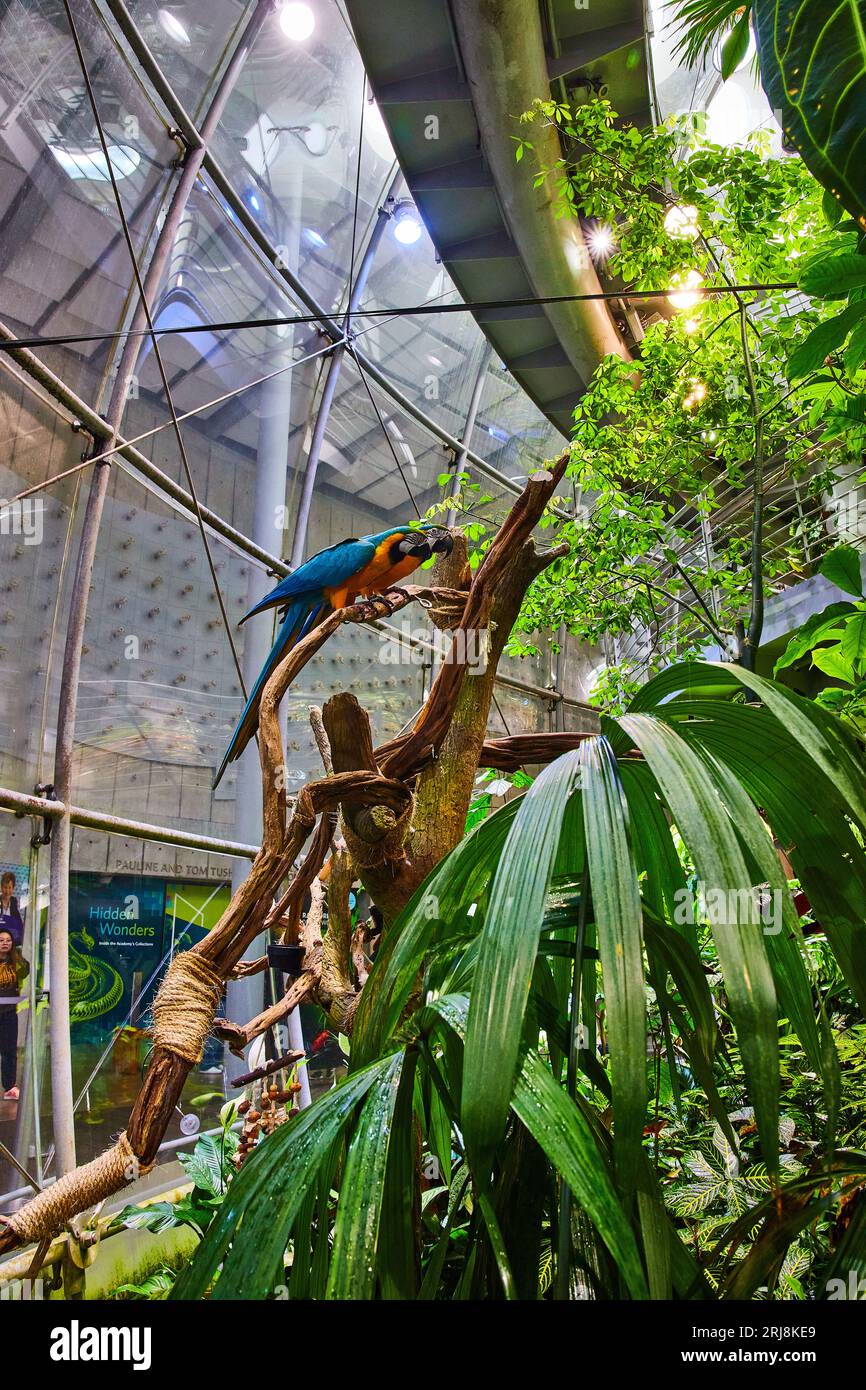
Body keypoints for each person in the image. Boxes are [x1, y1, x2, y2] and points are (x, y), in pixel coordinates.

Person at [0, 928, 28, 1100]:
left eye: (8, 940)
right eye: (1, 940)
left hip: (9, 1013)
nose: (5, 943)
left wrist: (17, 957)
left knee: (9, 1051)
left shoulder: (16, 961)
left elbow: (27, 970)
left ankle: (10, 1087)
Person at [0, 871, 23, 947]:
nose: (7, 891)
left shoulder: (13, 902)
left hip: (10, 941)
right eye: (5, 887)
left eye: (10, 887)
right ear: (1, 887)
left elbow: (19, 923)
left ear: (13, 888)